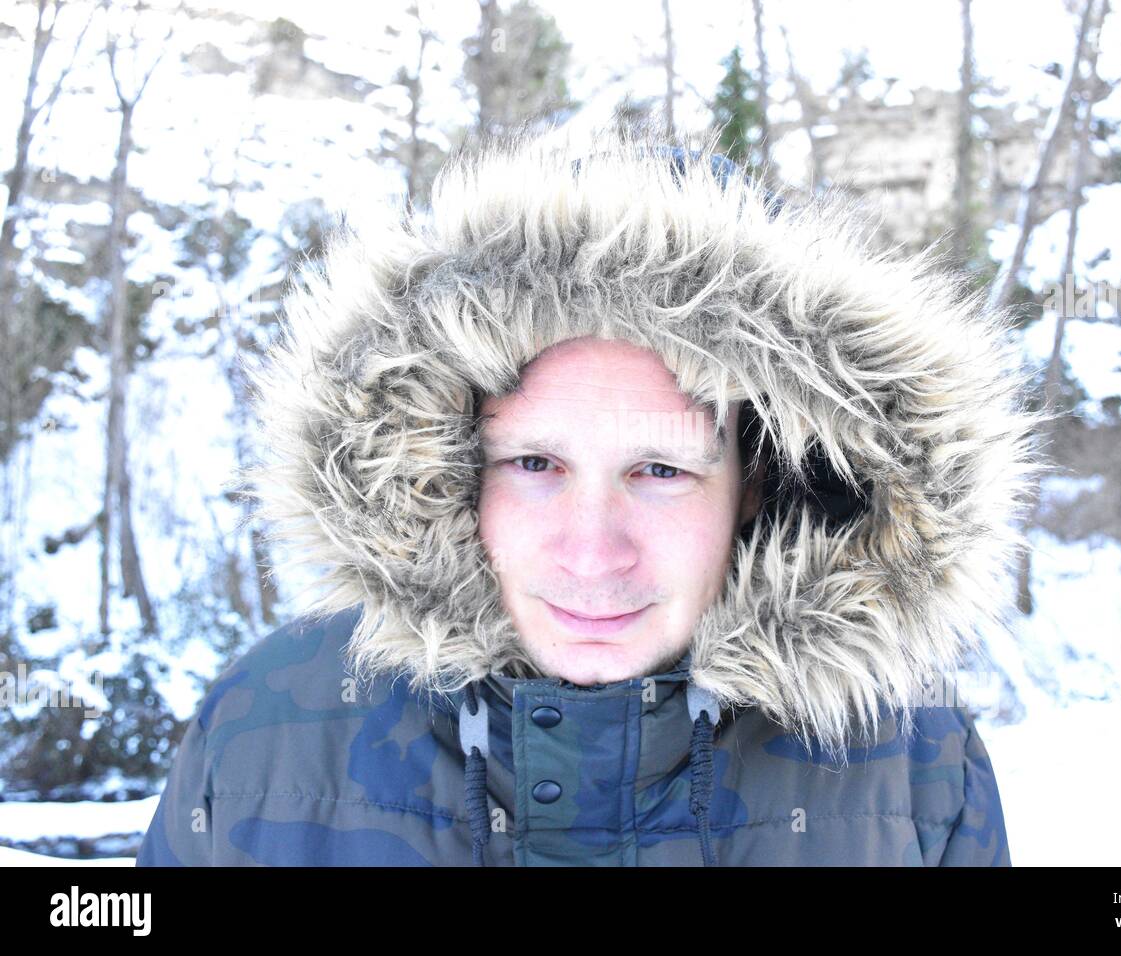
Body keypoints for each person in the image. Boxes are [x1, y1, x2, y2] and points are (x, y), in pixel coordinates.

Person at [136, 126, 1041, 867]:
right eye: (534, 464)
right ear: (446, 474)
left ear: (756, 486)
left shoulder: (911, 766)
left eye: (662, 471)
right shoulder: (268, 730)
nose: (591, 554)